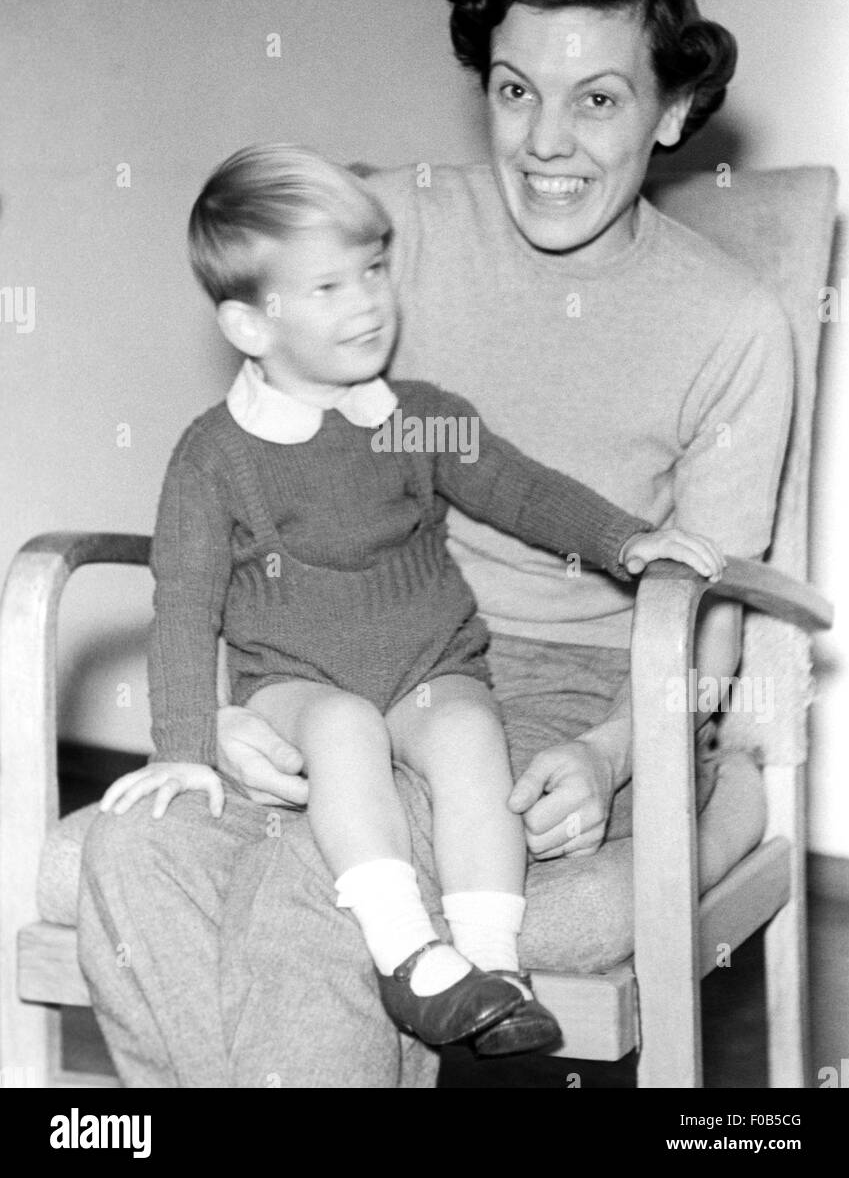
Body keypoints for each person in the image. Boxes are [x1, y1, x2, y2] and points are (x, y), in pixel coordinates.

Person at [79, 0, 793, 1088]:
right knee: (130, 842)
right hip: (340, 664)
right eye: (515, 91)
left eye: (597, 98)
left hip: (567, 690)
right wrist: (223, 713)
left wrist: (613, 757)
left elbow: (705, 613)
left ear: (671, 112)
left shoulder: (731, 324)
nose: (545, 142)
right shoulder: (385, 233)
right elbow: (267, 467)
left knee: (315, 879)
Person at [98, 143, 724, 1056]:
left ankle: (489, 965)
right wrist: (185, 745)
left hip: (431, 667)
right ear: (248, 324)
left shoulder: (414, 412)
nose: (366, 303)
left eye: (375, 271)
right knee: (345, 727)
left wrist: (626, 539)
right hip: (297, 682)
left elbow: (520, 488)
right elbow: (185, 605)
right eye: (328, 288)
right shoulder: (214, 455)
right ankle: (408, 957)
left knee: (472, 736)